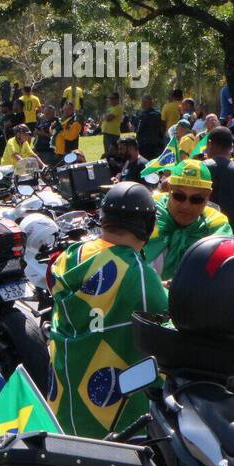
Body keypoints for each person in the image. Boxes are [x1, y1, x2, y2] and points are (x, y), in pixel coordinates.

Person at [47, 182, 167, 439]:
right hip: (115, 421)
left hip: (64, 407)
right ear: (148, 224)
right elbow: (166, 318)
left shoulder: (70, 256)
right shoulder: (136, 272)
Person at [143, 160, 232, 281]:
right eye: (179, 196)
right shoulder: (146, 214)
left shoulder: (217, 226)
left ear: (208, 197)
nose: (186, 206)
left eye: (196, 199)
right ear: (169, 189)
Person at [135, 96, 166, 160]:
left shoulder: (143, 115)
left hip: (144, 144)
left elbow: (139, 129)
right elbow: (161, 129)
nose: (142, 104)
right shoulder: (157, 114)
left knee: (144, 163)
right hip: (155, 144)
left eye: (143, 102)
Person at [101, 92, 124, 157]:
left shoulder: (118, 108)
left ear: (117, 99)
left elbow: (109, 118)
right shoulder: (110, 108)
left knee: (112, 152)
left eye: (113, 99)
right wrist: (105, 116)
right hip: (107, 133)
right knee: (107, 151)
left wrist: (105, 116)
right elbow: (103, 117)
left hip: (113, 134)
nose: (111, 100)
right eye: (110, 99)